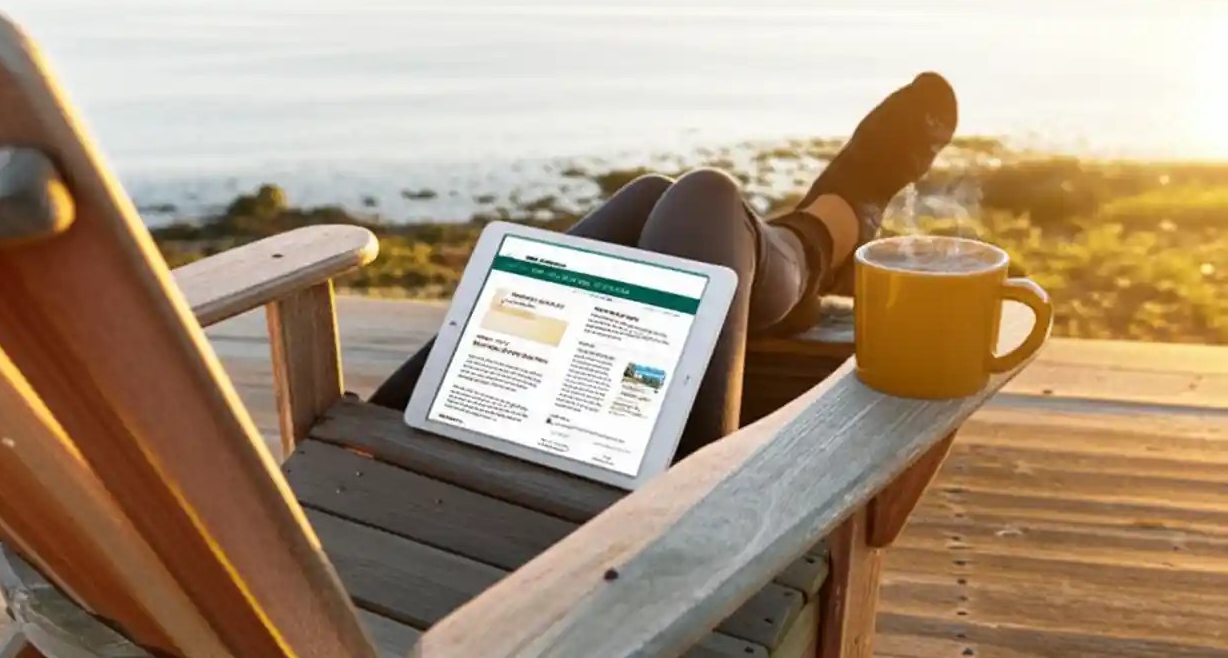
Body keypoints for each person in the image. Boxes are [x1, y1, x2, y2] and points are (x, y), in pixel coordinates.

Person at [370, 73, 959, 458]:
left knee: (653, 194)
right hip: (664, 514)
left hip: (385, 454)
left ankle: (810, 238)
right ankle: (820, 239)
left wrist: (369, 435)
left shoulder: (345, 486)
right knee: (704, 193)